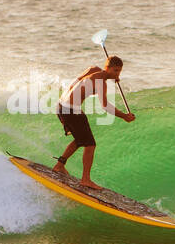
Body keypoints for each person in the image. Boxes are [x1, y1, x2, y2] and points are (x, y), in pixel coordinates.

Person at [53, 55, 134, 188]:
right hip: (71, 110)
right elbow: (105, 106)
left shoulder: (94, 70)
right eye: (115, 70)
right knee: (90, 145)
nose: (118, 74)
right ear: (107, 68)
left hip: (61, 105)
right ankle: (85, 179)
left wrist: (111, 76)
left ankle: (59, 165)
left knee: (81, 140)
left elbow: (81, 79)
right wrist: (124, 116)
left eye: (119, 71)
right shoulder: (101, 82)